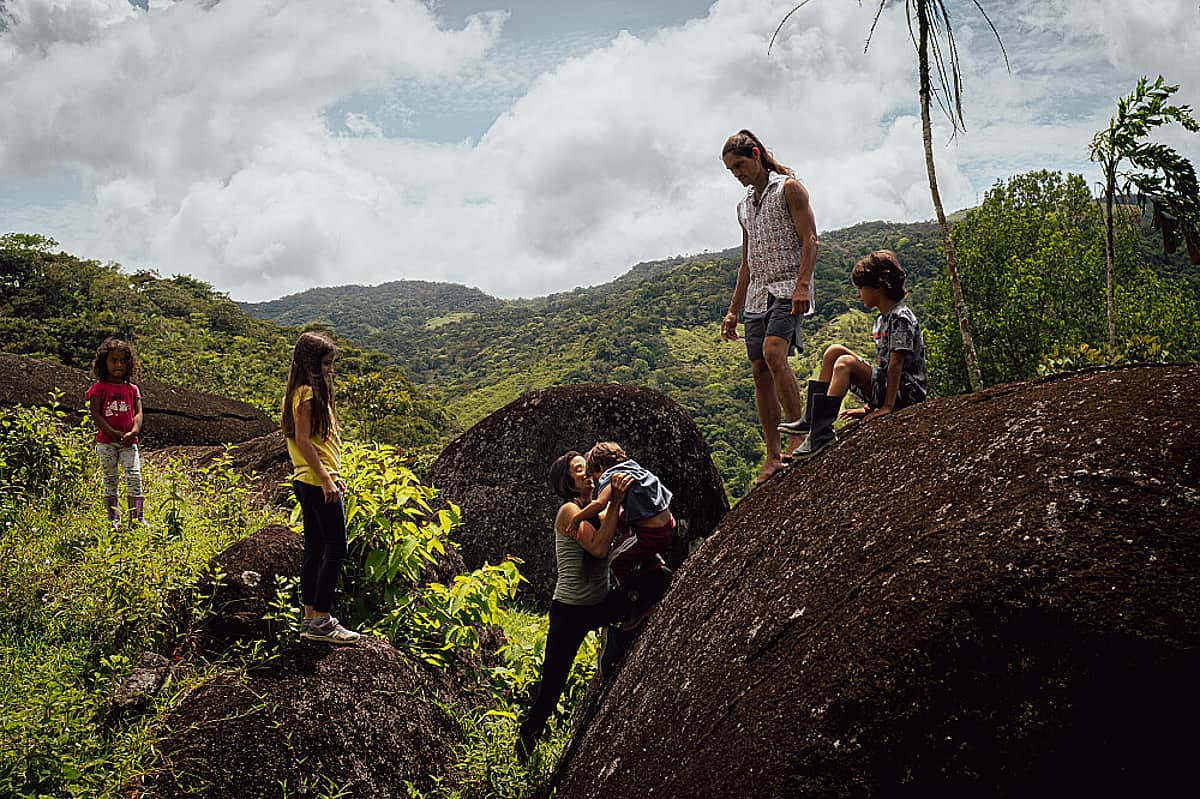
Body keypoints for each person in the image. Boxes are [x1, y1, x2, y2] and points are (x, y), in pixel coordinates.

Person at [516, 453, 634, 763]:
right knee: (551, 690)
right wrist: (615, 503)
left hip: (600, 603)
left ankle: (614, 640)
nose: (587, 474)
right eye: (578, 471)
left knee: (652, 584)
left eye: (586, 469)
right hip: (570, 612)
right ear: (567, 481)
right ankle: (522, 754)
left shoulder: (597, 505)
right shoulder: (569, 511)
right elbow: (597, 548)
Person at [720, 129, 819, 484]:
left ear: (757, 154)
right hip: (757, 294)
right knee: (759, 369)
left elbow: (811, 240)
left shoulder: (789, 188)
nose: (738, 174)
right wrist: (733, 310)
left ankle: (800, 437)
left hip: (788, 285)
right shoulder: (744, 206)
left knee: (775, 352)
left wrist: (803, 284)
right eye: (731, 170)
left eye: (740, 165)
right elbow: (746, 261)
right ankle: (773, 454)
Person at [784, 250, 927, 458]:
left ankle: (821, 432)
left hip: (906, 393)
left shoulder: (900, 318)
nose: (858, 294)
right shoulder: (883, 318)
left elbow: (896, 365)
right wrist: (870, 407)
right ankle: (813, 419)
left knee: (844, 363)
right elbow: (882, 364)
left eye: (861, 288)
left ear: (879, 286)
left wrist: (886, 407)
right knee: (834, 351)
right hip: (890, 387)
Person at [281, 331, 360, 645]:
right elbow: (302, 440)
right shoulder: (308, 395)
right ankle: (323, 620)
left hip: (308, 479)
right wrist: (327, 479)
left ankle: (310, 617)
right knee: (336, 550)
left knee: (314, 550)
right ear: (311, 363)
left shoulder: (298, 392)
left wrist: (332, 474)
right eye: (326, 364)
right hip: (316, 481)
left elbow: (314, 443)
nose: (330, 369)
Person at [568, 442, 674, 591]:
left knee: (614, 561)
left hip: (649, 534)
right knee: (619, 515)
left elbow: (600, 503)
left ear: (600, 468)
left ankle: (636, 594)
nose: (596, 481)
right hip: (668, 523)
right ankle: (653, 563)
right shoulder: (633, 466)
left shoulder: (611, 475)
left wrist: (576, 518)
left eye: (594, 476)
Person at [86, 337, 147, 530]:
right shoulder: (99, 388)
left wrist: (134, 431)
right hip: (106, 443)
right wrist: (111, 432)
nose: (118, 365)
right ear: (104, 363)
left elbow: (138, 413)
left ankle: (136, 519)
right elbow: (95, 413)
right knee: (110, 479)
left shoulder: (132, 389)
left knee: (134, 477)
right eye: (113, 360)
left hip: (129, 442)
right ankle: (113, 520)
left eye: (123, 360)